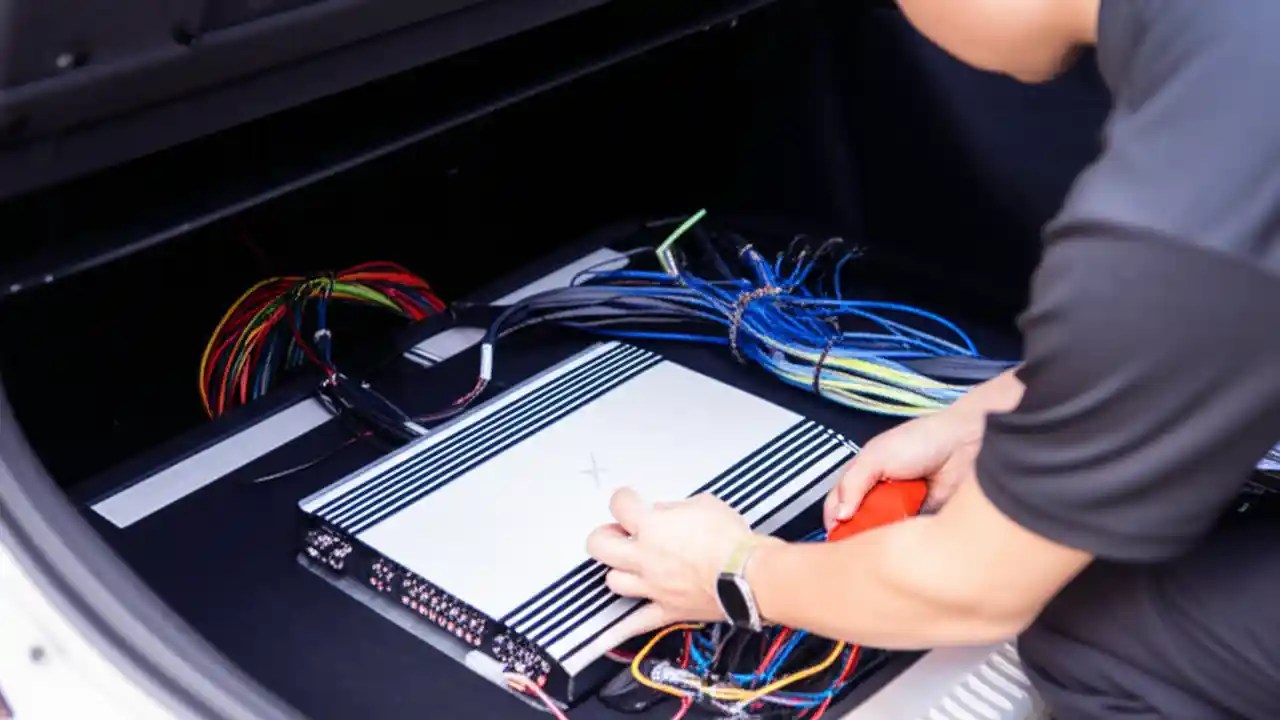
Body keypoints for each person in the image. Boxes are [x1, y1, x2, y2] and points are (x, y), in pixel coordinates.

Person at [585, 1, 1280, 717]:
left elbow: (978, 589)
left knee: (1102, 639)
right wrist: (987, 411)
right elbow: (1219, 315)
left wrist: (734, 573)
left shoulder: (1188, 196)